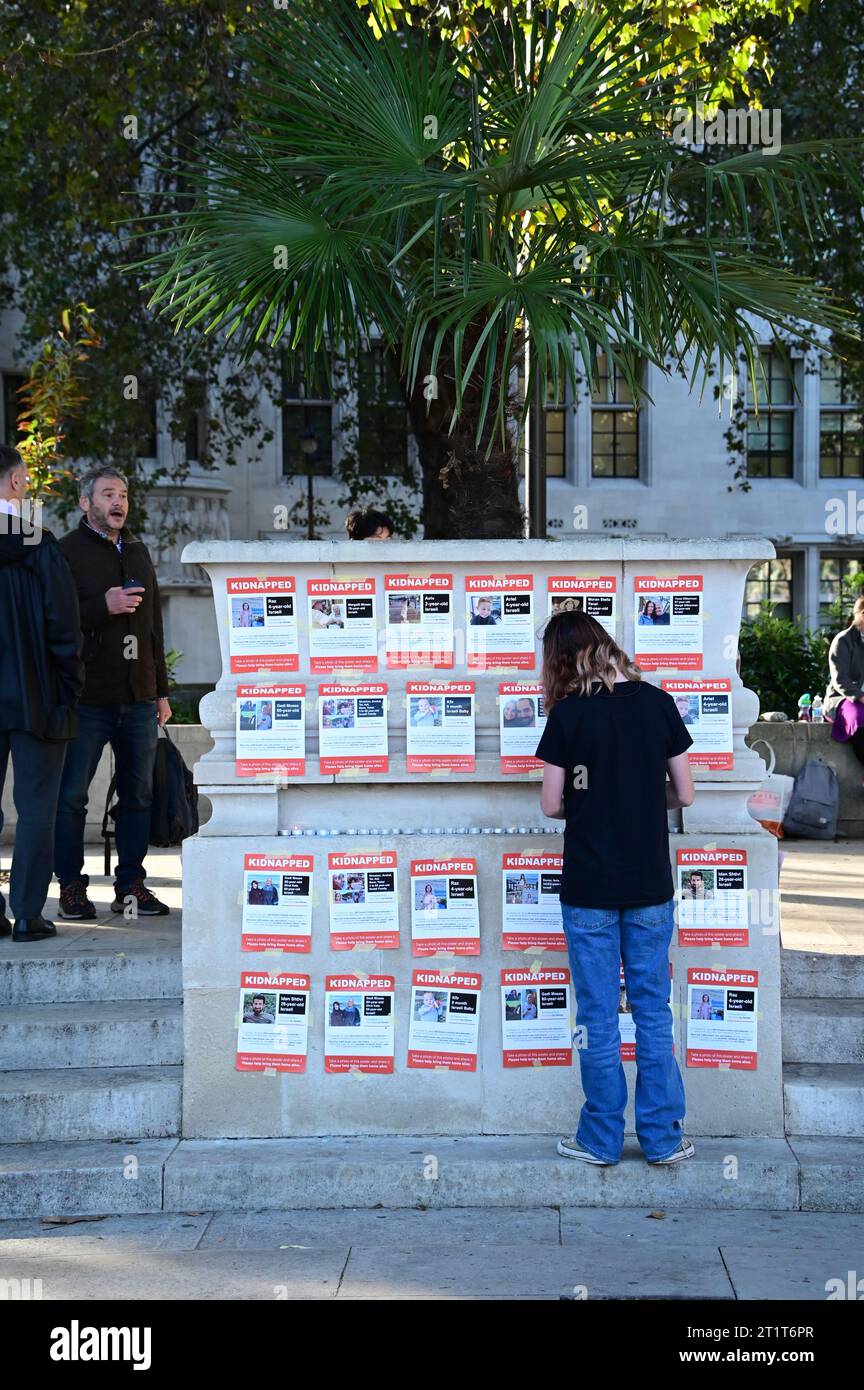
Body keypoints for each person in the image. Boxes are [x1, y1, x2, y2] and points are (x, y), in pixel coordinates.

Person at [535, 608, 696, 1167]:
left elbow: (553, 803)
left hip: (589, 888)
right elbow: (686, 793)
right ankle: (663, 1139)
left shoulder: (568, 717)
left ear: (561, 661)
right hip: (650, 883)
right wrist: (643, 799)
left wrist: (593, 801)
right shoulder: (657, 702)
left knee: (598, 1016)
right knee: (653, 1011)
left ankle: (601, 1139)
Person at [53, 468, 172, 920]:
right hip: (86, 699)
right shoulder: (65, 553)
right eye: (108, 495)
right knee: (72, 797)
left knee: (138, 796)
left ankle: (131, 886)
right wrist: (102, 607)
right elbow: (57, 623)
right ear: (86, 503)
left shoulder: (139, 552)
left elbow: (154, 627)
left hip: (139, 698)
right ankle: (70, 887)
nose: (118, 502)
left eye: (123, 495)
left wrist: (160, 691)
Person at [0, 446, 85, 942]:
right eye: (25, 479)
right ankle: (28, 914)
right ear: (13, 482)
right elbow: (64, 623)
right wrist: (69, 683)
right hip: (38, 695)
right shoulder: (39, 542)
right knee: (36, 807)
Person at [824, 595, 864, 776]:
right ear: (861, 614)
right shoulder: (843, 640)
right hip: (842, 698)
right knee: (859, 716)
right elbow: (840, 680)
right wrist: (861, 697)